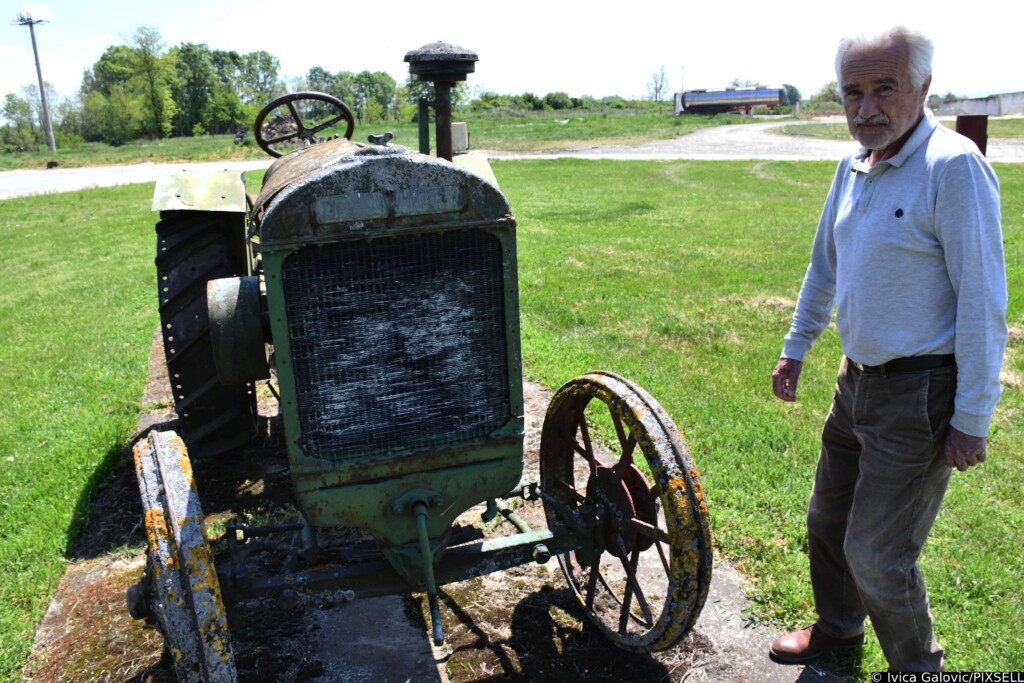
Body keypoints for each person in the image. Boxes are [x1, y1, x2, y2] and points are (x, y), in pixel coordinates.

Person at [769, 26, 1007, 672]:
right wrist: (798, 347)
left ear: (924, 88)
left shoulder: (953, 168)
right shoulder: (852, 167)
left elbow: (983, 302)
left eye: (884, 89)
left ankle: (917, 667)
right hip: (856, 383)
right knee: (827, 521)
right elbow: (825, 267)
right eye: (852, 92)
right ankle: (839, 633)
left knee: (877, 553)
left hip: (919, 395)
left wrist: (972, 416)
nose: (866, 108)